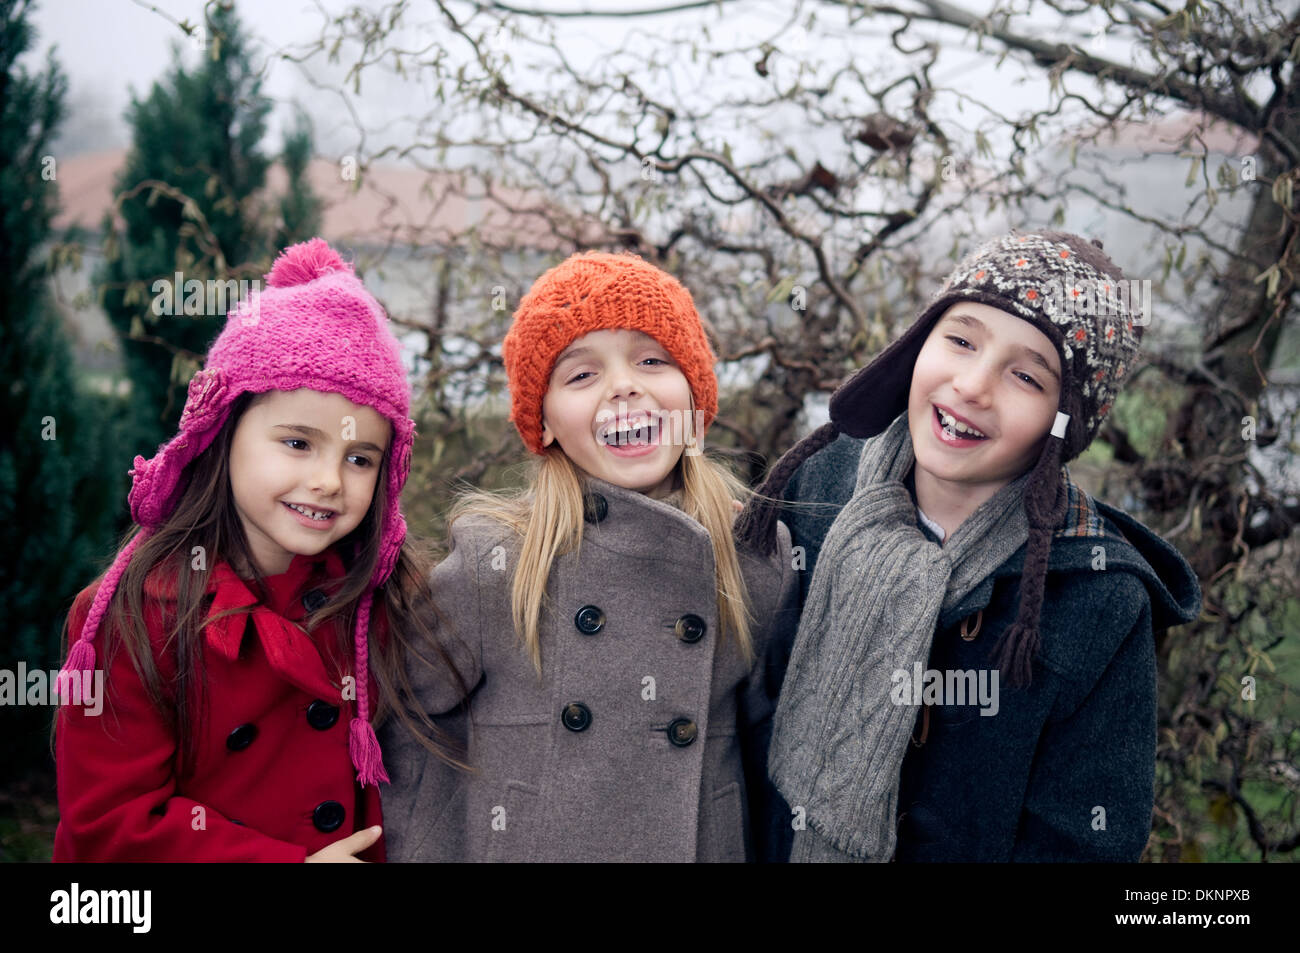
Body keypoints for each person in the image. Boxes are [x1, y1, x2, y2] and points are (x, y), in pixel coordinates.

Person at [736, 229, 1202, 862]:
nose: (973, 385)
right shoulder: (823, 484)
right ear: (918, 344)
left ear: (1063, 424)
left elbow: (1082, 842)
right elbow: (745, 694)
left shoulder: (1097, 597)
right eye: (960, 340)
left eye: (1026, 377)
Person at [53, 239, 465, 862]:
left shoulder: (375, 601)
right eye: (298, 443)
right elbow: (110, 824)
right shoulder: (135, 614)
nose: (329, 480)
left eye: (359, 459)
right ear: (223, 433)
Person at [382, 251, 799, 862]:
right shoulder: (498, 567)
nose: (624, 386)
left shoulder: (754, 562)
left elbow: (779, 755)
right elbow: (397, 723)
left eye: (651, 359)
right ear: (544, 422)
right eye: (581, 375)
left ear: (695, 394)